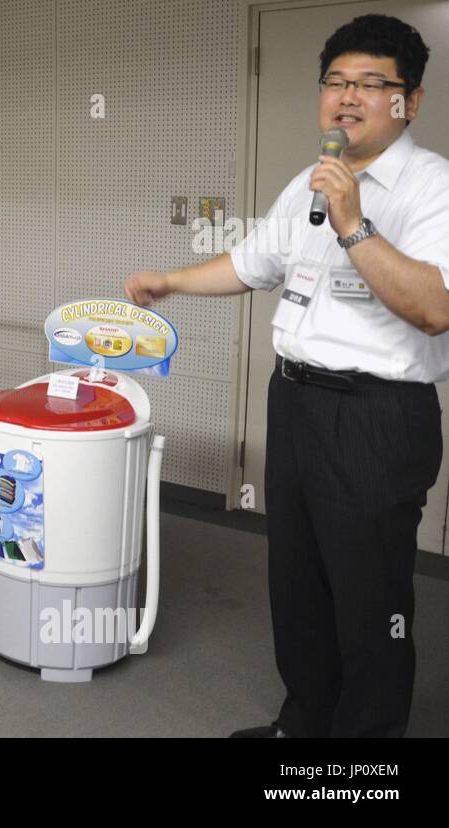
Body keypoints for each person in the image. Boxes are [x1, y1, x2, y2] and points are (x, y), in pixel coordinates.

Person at [125, 14, 449, 738]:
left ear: (411, 101)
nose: (348, 97)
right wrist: (170, 280)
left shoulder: (434, 188)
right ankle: (304, 725)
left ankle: (362, 758)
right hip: (295, 403)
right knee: (297, 583)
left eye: (372, 84)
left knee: (371, 599)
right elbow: (252, 265)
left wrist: (353, 222)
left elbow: (435, 309)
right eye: (336, 82)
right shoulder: (310, 180)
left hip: (375, 416)